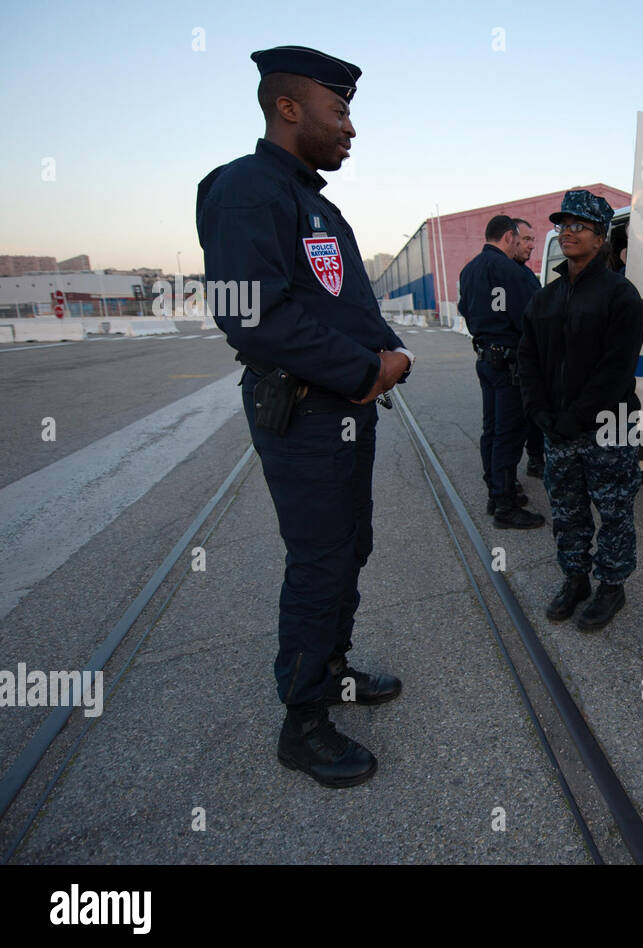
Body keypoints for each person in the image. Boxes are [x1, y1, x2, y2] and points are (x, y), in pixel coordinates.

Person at [196, 45, 412, 788]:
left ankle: (333, 672)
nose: (351, 129)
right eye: (340, 110)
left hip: (344, 411)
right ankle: (304, 721)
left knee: (349, 548)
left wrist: (386, 349)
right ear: (288, 107)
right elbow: (250, 315)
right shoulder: (246, 188)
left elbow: (341, 301)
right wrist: (365, 368)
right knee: (320, 561)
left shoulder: (312, 199)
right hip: (309, 410)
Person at [516, 190, 643, 631]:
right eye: (563, 224)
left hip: (607, 426)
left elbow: (616, 369)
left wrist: (576, 416)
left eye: (579, 226)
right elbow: (527, 358)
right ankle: (575, 579)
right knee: (567, 508)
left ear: (600, 237)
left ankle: (611, 585)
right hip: (557, 428)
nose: (567, 232)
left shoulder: (620, 295)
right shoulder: (544, 299)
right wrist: (539, 411)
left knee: (613, 510)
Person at [458, 215, 545, 529]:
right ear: (509, 236)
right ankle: (505, 507)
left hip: (485, 359)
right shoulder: (512, 271)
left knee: (492, 430)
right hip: (511, 363)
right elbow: (532, 318)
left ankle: (497, 494)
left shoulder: (469, 271)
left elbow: (464, 311)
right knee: (508, 435)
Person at [510, 217, 546, 480]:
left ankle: (535, 458)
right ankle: (505, 487)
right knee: (514, 420)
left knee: (534, 411)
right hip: (518, 358)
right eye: (527, 239)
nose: (532, 246)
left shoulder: (524, 273)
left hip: (534, 355)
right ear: (511, 238)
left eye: (533, 240)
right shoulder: (507, 273)